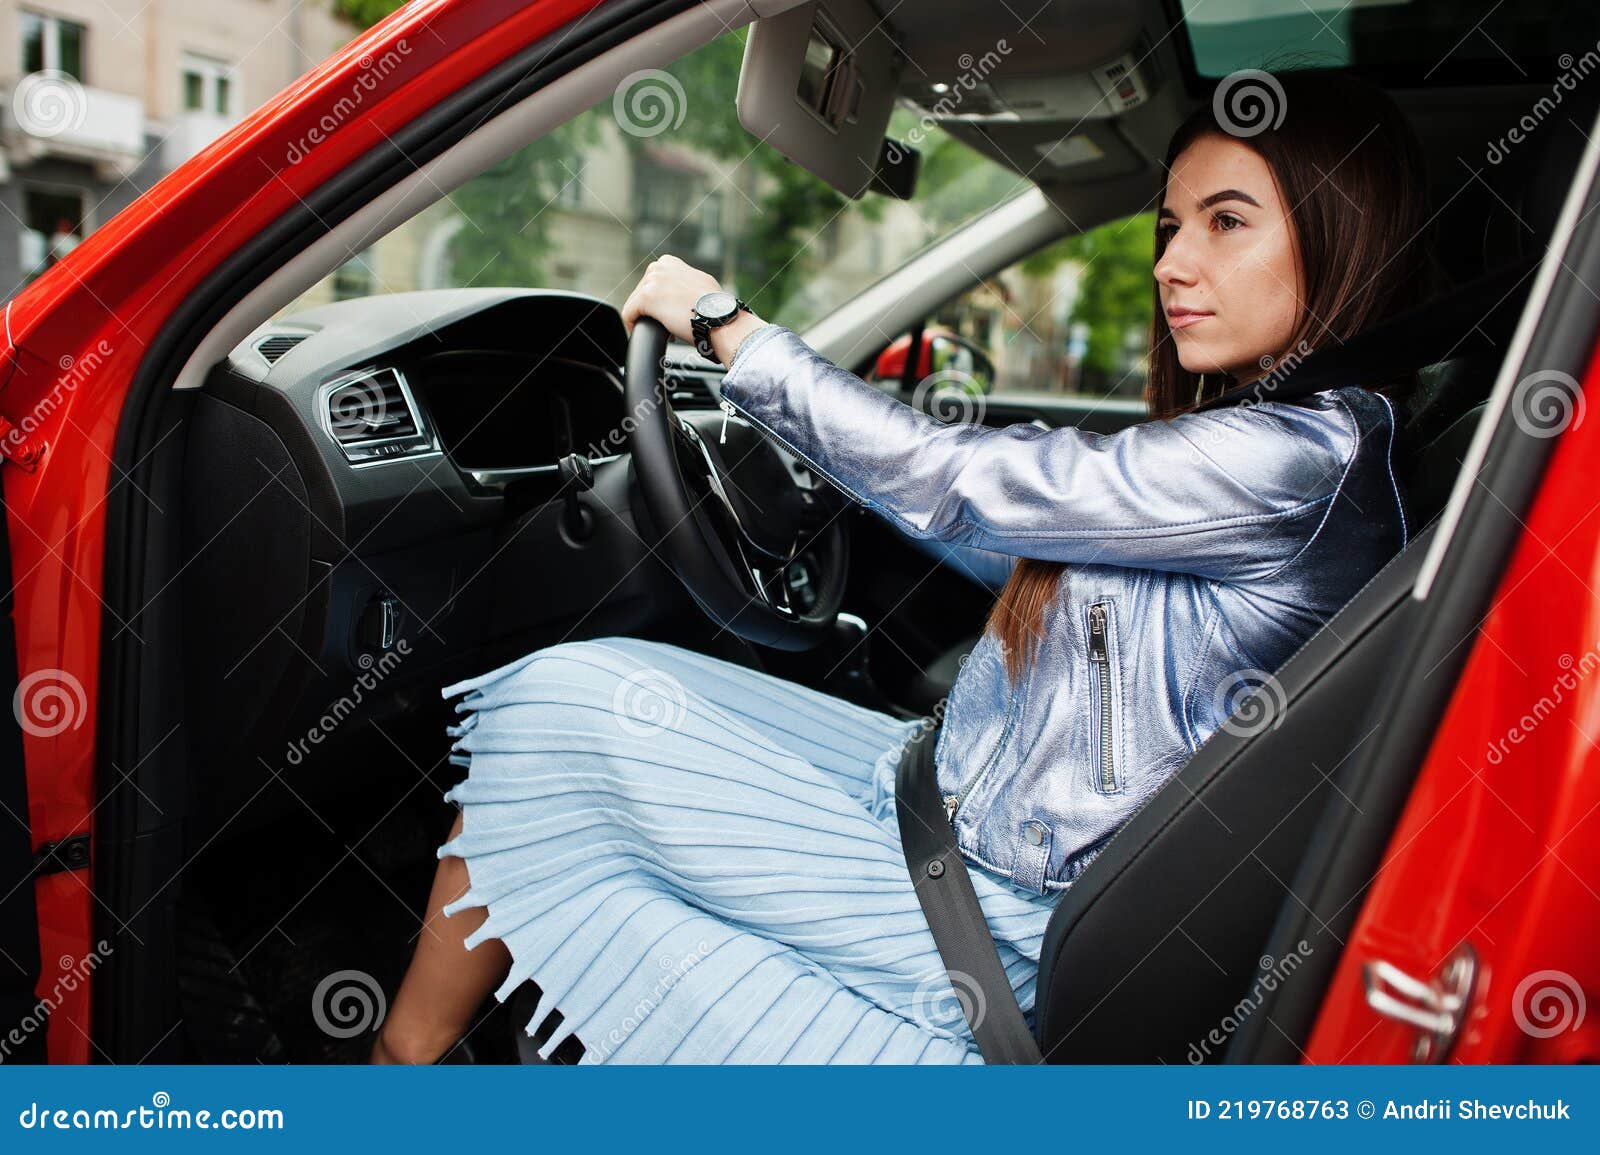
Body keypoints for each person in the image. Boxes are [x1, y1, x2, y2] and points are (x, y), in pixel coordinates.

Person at [371, 67, 1428, 1064]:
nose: (1168, 265)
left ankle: (395, 1065)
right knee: (572, 715)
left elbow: (960, 478)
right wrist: (839, 471)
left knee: (553, 712)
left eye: (1225, 222)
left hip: (1003, 920)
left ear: (1340, 236)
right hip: (944, 800)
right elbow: (1021, 541)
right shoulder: (1280, 435)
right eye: (1167, 227)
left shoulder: (1297, 459)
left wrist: (729, 331)